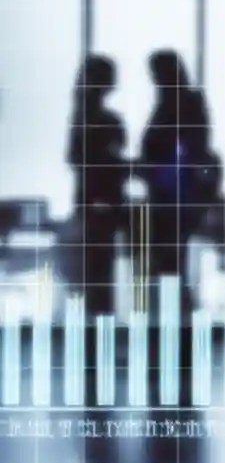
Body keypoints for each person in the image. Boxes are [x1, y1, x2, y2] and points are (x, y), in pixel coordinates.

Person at [138, 49, 220, 287]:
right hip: (172, 190)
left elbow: (190, 146)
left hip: (176, 190)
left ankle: (171, 299)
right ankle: (171, 298)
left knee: (169, 253)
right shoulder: (175, 103)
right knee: (169, 254)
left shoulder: (180, 104)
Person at [65, 55, 129, 317]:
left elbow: (75, 158)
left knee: (95, 267)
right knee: (101, 266)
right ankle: (100, 320)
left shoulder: (83, 117)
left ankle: (95, 322)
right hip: (102, 200)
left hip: (91, 199)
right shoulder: (105, 120)